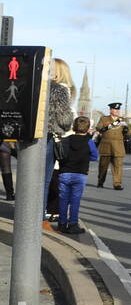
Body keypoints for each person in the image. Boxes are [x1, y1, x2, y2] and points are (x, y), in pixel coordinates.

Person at [44, 59, 75, 228]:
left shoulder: (38, 85)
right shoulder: (60, 89)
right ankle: (40, 218)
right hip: (49, 136)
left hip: (29, 136)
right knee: (45, 180)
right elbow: (64, 119)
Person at [56, 116, 98, 235]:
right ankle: (73, 224)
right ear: (88, 128)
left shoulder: (66, 140)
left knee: (63, 200)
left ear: (74, 126)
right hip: (80, 174)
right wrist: (85, 158)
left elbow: (61, 154)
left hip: (65, 172)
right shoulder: (89, 141)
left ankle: (62, 224)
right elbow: (95, 156)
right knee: (75, 201)